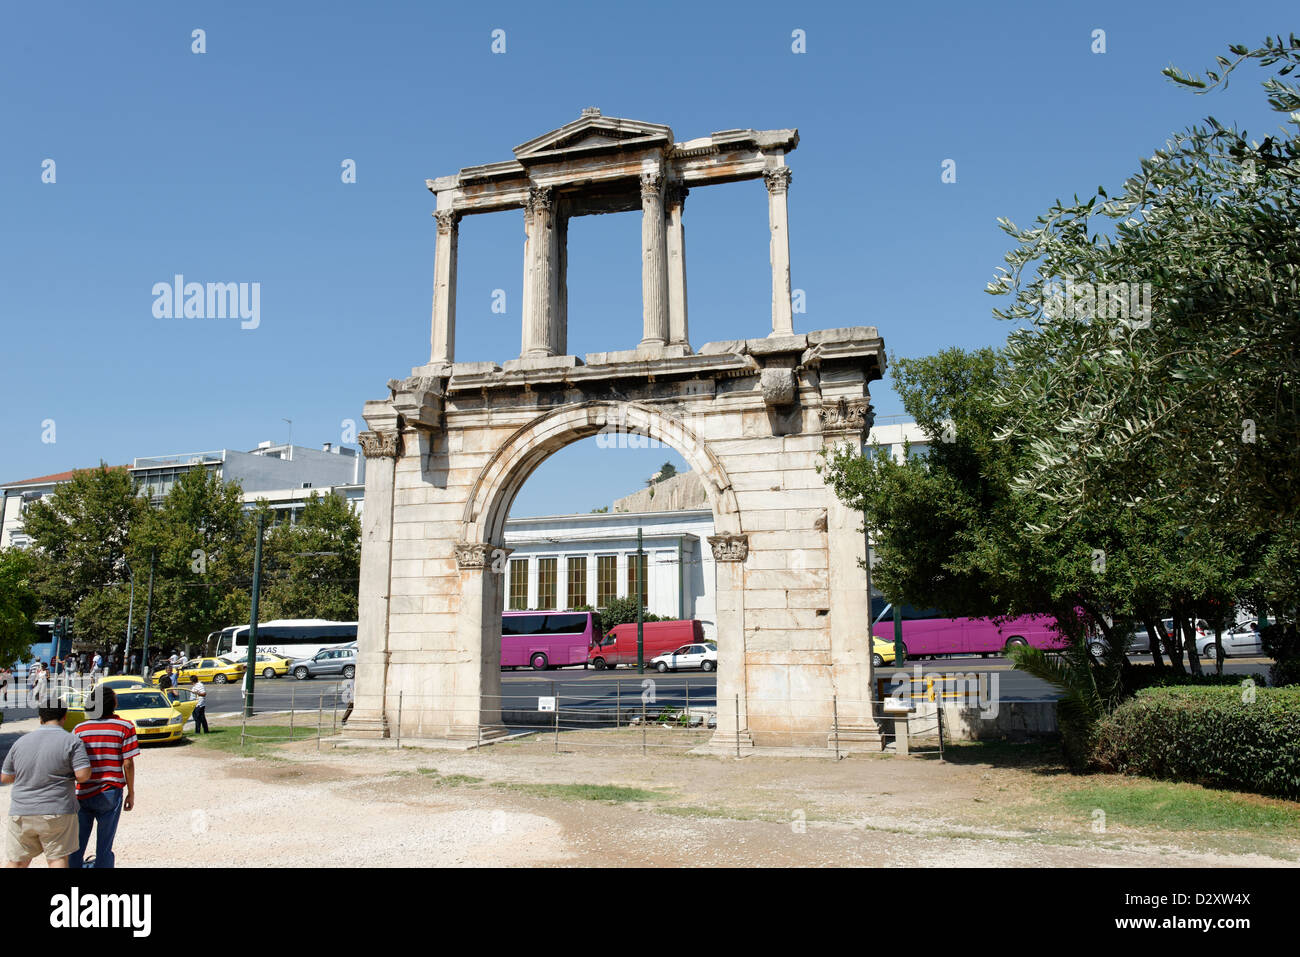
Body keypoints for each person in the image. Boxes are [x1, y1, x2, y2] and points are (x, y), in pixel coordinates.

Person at [1, 696, 92, 867]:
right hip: (57, 809)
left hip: (21, 810)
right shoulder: (72, 741)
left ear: (40, 718)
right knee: (57, 859)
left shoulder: (20, 742)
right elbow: (83, 775)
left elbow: (5, 777)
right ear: (64, 717)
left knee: (17, 861)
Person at [69, 687, 138, 868]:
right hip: (110, 791)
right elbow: (128, 763)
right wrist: (131, 792)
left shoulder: (79, 729)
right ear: (113, 704)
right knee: (104, 846)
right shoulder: (125, 727)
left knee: (76, 845)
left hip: (83, 791)